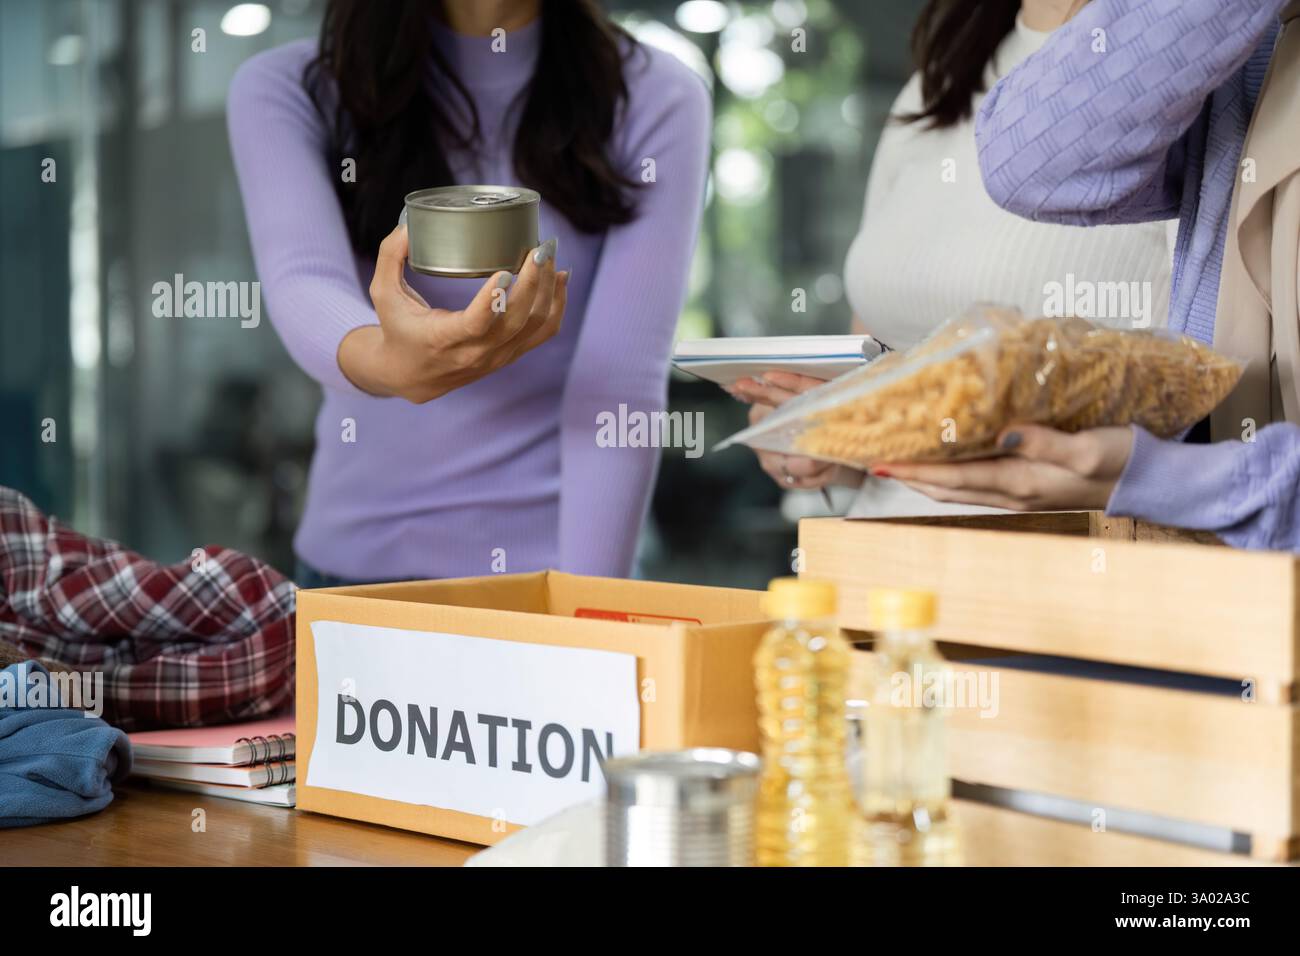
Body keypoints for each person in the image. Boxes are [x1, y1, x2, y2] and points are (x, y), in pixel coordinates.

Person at [227, 0, 710, 585]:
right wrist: (388, 360)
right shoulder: (289, 89)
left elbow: (620, 385)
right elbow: (304, 276)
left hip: (559, 579)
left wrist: (586, 615)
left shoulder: (657, 95)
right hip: (353, 582)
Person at [881, 0, 1300, 551]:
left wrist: (1169, 478)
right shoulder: (1252, 51)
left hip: (1087, 556)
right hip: (1226, 577)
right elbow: (1030, 159)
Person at [728, 0, 1170, 517]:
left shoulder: (1173, 74)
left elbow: (1205, 421)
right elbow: (871, 366)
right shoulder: (933, 88)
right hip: (875, 565)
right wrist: (818, 442)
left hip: (1068, 565)